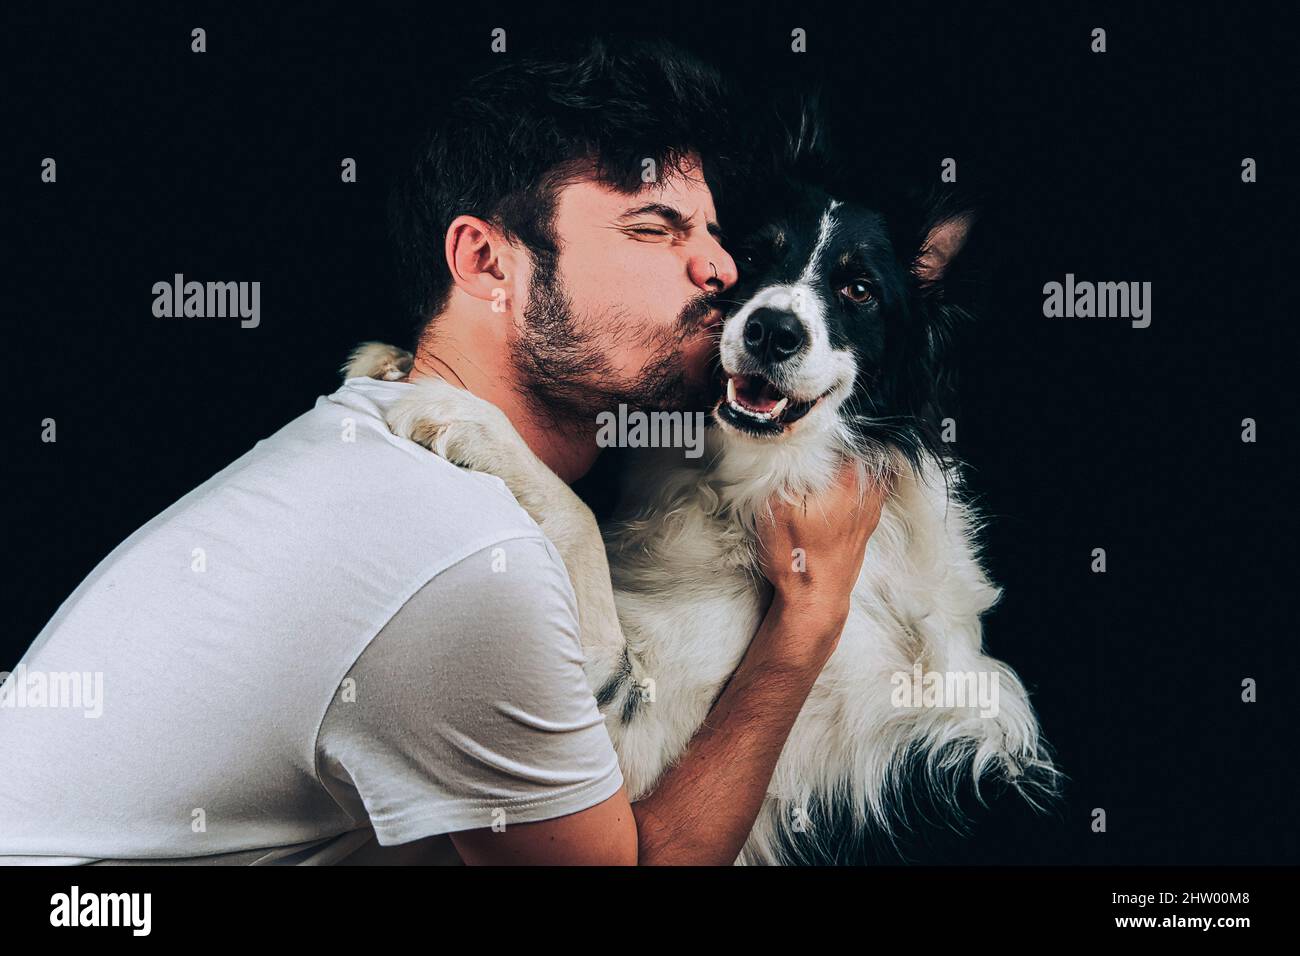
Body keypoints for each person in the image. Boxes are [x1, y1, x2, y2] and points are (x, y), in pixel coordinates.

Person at [0, 38, 887, 866]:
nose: (724, 268)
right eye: (655, 229)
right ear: (487, 263)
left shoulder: (380, 432)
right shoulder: (465, 551)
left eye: (710, 232)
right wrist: (804, 627)